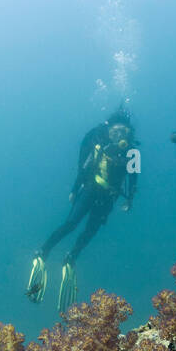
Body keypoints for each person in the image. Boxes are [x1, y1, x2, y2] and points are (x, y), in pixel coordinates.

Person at [27, 106, 138, 310]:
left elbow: (133, 177)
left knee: (91, 231)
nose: (120, 135)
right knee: (70, 224)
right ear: (109, 130)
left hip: (108, 198)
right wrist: (74, 189)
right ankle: (43, 252)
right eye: (116, 131)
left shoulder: (132, 152)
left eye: (124, 132)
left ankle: (71, 258)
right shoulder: (98, 143)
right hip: (89, 189)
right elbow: (84, 165)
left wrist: (129, 199)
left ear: (129, 133)